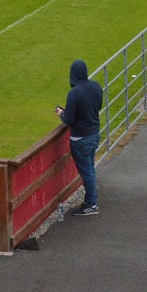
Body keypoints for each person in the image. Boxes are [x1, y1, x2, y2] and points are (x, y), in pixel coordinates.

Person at [56, 59, 102, 217]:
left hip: (81, 139)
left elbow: (68, 119)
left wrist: (61, 113)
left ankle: (92, 204)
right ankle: (91, 199)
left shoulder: (74, 94)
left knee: (87, 171)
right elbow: (98, 106)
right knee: (90, 168)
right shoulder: (96, 86)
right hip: (95, 134)